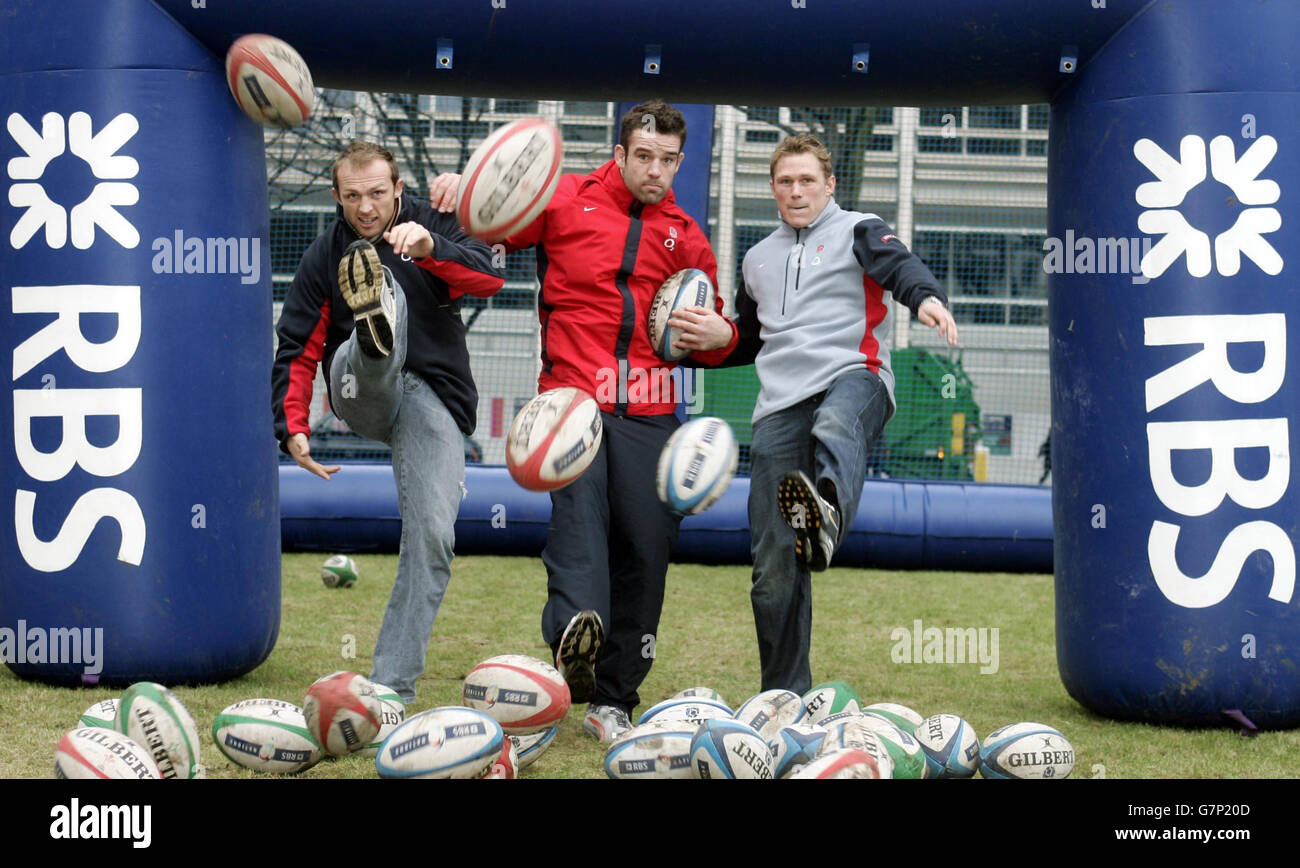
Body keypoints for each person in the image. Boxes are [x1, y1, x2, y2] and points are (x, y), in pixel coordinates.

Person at [431, 100, 737, 740]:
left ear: (680, 160)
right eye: (643, 156)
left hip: (653, 413)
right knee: (579, 524)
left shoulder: (688, 236)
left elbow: (707, 339)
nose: (655, 170)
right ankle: (575, 634)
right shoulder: (564, 199)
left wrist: (720, 333)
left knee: (646, 553)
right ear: (620, 154)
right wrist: (466, 196)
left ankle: (613, 700)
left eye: (667, 159)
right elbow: (493, 227)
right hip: (570, 403)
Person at [720, 133, 959, 695]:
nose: (796, 190)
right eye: (785, 181)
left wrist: (925, 298)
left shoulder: (859, 228)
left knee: (834, 424)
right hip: (778, 406)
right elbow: (748, 340)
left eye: (807, 180)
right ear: (772, 188)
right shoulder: (756, 259)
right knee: (772, 572)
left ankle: (827, 514)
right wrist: (708, 339)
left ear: (829, 185)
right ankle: (784, 698)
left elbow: (898, 264)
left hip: (856, 377)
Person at [272, 141, 505, 704]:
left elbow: (493, 277)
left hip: (432, 398)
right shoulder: (324, 254)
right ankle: (377, 323)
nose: (367, 207)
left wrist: (431, 249)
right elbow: (296, 348)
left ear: (398, 189)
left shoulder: (435, 221)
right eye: (353, 197)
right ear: (337, 197)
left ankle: (390, 689)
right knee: (370, 333)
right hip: (361, 387)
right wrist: (293, 428)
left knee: (433, 536)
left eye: (378, 194)